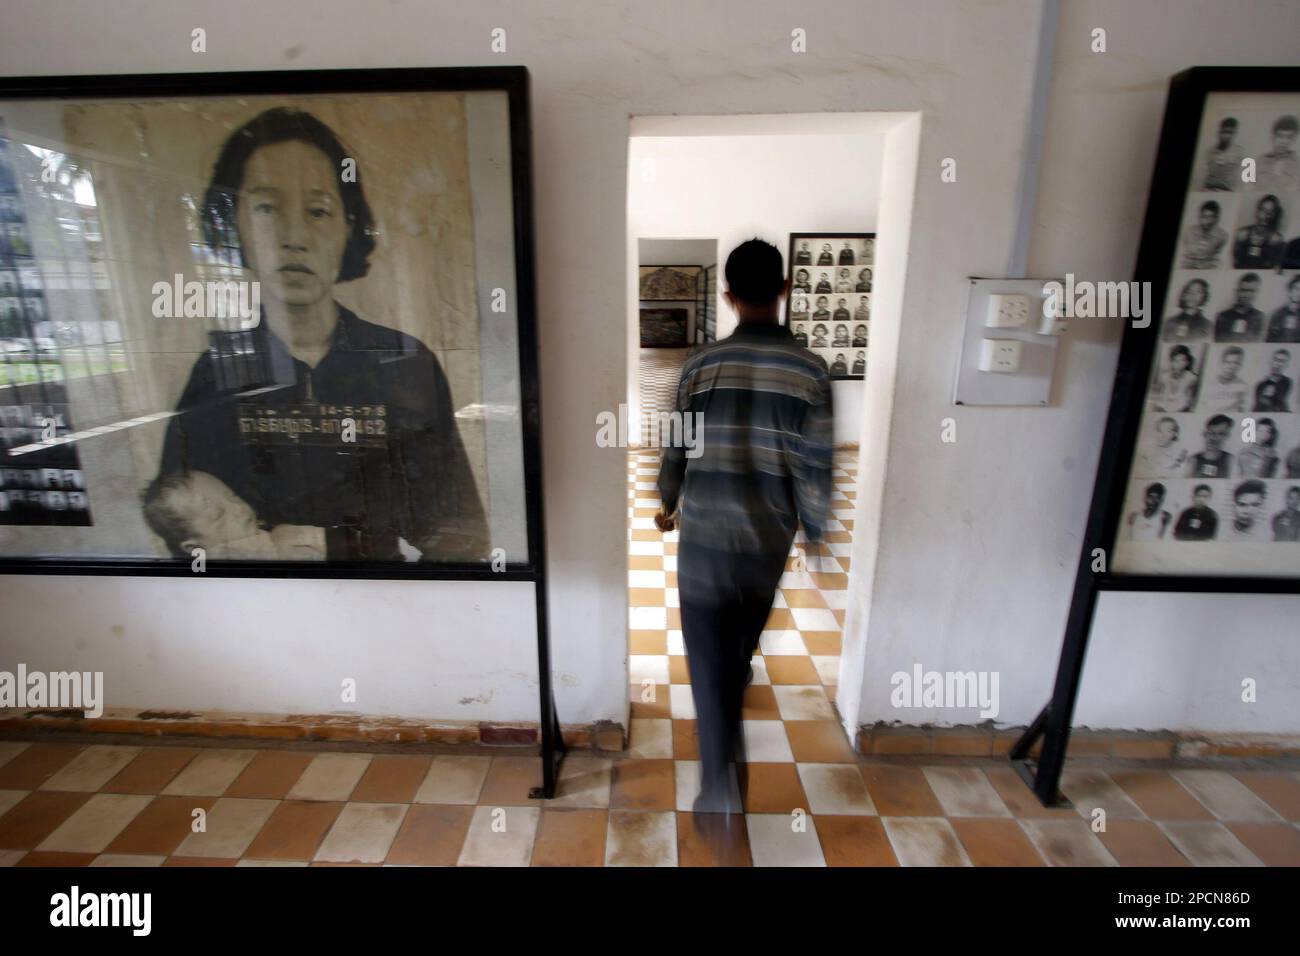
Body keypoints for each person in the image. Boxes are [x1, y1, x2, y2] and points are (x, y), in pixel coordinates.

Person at [155, 107, 488, 562]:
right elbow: (183, 532)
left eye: (318, 211)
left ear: (348, 228)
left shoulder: (404, 361)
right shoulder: (216, 373)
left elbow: (458, 529)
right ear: (236, 225)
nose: (294, 236)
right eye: (267, 207)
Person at [656, 238, 832, 815]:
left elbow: (677, 445)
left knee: (708, 660)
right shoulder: (810, 371)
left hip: (705, 538)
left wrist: (668, 498)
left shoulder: (701, 364)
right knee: (736, 647)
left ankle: (718, 788)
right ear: (784, 289)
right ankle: (732, 704)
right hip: (766, 539)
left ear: (728, 297)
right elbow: (815, 463)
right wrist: (815, 532)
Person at [143, 470, 326, 559]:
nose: (238, 510)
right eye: (219, 516)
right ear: (195, 548)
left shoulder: (258, 533)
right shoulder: (231, 556)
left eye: (234, 497)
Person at [1231, 195, 1285, 269]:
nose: (1266, 216)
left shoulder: (1276, 239)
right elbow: (1233, 262)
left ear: (1274, 215)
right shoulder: (1242, 234)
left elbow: (1276, 267)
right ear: (1257, 211)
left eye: (1270, 212)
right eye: (1263, 210)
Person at [1214, 273, 1265, 342]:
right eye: (1243, 290)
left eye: (1251, 291)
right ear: (1237, 291)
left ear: (1257, 292)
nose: (1246, 295)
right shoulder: (1222, 317)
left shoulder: (1260, 317)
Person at [1179, 200, 1228, 269]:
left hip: (1209, 268)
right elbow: (1185, 256)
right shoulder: (1188, 232)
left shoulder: (1222, 236)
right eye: (1204, 216)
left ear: (1216, 218)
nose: (1207, 220)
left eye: (1211, 217)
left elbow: (1217, 259)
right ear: (1200, 216)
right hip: (1188, 266)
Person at [1150, 345, 1199, 412]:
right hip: (1163, 409)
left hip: (1182, 409)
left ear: (1187, 362)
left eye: (1182, 360)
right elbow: (1158, 396)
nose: (1178, 364)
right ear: (1171, 362)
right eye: (1175, 360)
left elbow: (1191, 401)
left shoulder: (1192, 378)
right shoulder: (1164, 377)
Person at [1258, 114, 1300, 193]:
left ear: (1293, 139)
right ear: (1273, 137)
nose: (1284, 141)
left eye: (1289, 137)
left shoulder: (1297, 164)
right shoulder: (1260, 161)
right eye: (1280, 136)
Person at [1199, 347, 1249, 412]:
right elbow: (1202, 406)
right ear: (1221, 363)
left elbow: (1243, 409)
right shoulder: (1208, 384)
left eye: (1236, 363)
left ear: (1240, 365)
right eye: (1228, 362)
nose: (1231, 366)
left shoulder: (1243, 387)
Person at [1201, 116, 1244, 191]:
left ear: (1235, 134)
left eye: (1230, 132)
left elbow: (1240, 177)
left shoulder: (1240, 152)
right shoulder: (1209, 152)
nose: (1227, 136)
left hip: (1229, 190)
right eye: (1224, 131)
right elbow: (1209, 174)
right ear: (1219, 132)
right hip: (1209, 188)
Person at [1187, 414, 1235, 478]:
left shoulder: (1230, 460)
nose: (1214, 438)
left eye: (1220, 434)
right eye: (1211, 433)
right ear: (1204, 434)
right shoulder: (1193, 461)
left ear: (1227, 436)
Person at [1266, 276, 1300, 343]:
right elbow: (1269, 339)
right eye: (1296, 288)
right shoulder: (1277, 314)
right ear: (1290, 290)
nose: (1298, 293)